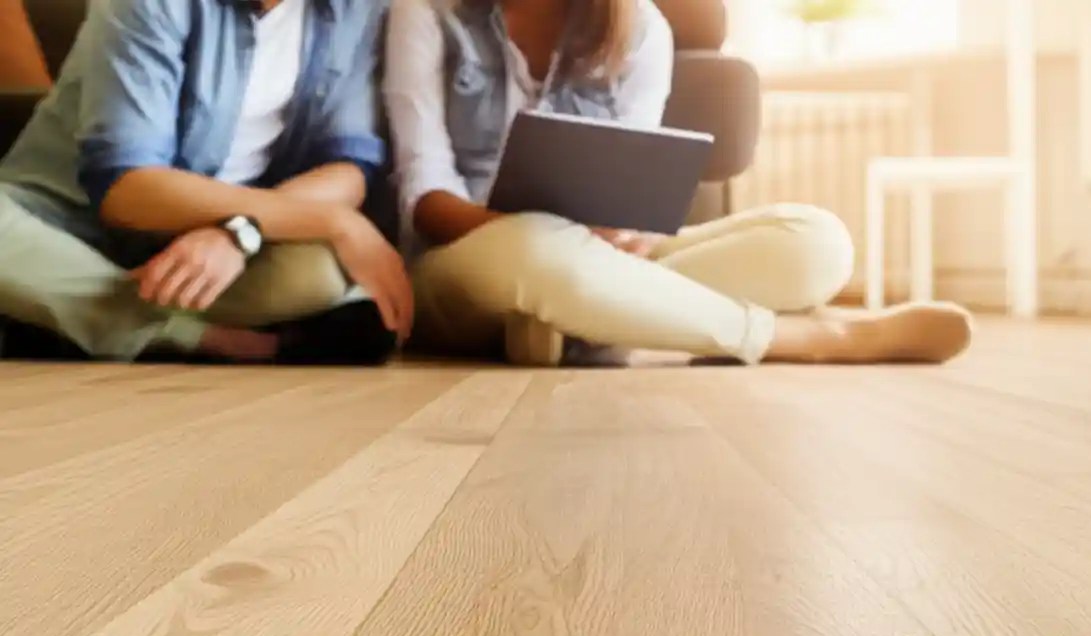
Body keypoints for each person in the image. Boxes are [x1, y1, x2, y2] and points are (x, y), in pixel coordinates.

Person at [385, 0, 975, 367]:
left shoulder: (639, 26)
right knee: (537, 248)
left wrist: (624, 232)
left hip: (597, 255)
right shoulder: (424, 13)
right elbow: (424, 192)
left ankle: (572, 322)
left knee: (816, 241)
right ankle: (809, 339)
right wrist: (542, 235)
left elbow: (632, 178)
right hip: (462, 262)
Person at [0, 0, 414, 364]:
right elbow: (126, 188)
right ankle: (189, 337)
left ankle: (57, 315)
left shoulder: (357, 8)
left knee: (319, 274)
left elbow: (345, 165)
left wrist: (237, 232)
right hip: (61, 228)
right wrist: (334, 222)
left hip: (202, 249)